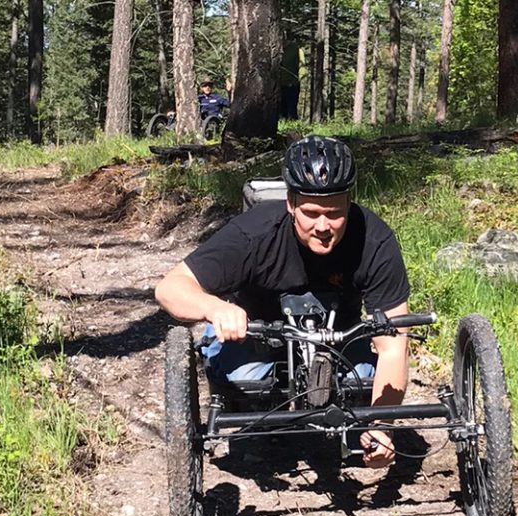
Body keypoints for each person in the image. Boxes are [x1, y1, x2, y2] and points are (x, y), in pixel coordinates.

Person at [155, 136, 411, 469]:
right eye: (311, 213)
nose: (323, 227)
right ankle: (246, 400)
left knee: (360, 377)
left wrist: (381, 426)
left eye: (334, 214)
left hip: (340, 341)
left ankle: (345, 413)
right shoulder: (255, 233)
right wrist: (215, 308)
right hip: (258, 337)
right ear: (291, 203)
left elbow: (394, 346)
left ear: (349, 202)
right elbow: (169, 288)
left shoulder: (374, 241)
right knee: (244, 378)